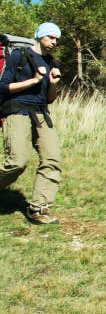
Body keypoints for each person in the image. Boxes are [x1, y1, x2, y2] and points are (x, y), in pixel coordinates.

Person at [0, 22, 64, 224]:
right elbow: (3, 87)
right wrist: (34, 80)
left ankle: (38, 209)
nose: (54, 42)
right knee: (17, 162)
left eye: (56, 39)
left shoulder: (53, 63)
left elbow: (50, 99)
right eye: (50, 37)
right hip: (17, 109)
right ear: (40, 36)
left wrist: (53, 85)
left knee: (52, 159)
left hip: (41, 114)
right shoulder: (18, 56)